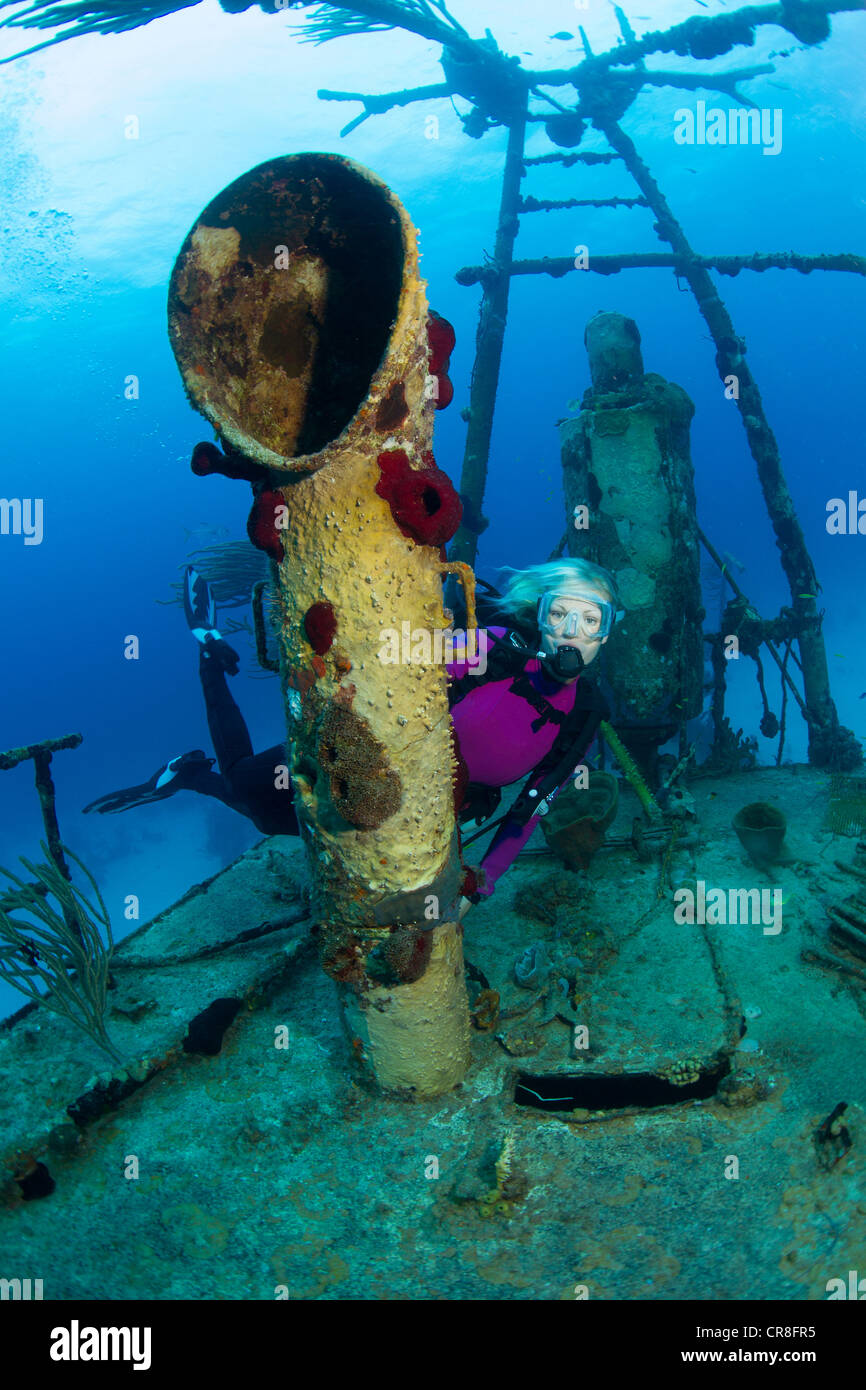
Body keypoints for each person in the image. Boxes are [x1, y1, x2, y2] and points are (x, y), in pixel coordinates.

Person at [85, 559, 620, 914]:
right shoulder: (498, 648)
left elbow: (532, 805)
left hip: (438, 805)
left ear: (606, 633)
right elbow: (402, 657)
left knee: (290, 825)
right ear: (541, 615)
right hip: (373, 757)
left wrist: (486, 879)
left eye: (591, 620)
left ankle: (194, 773)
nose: (572, 633)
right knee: (253, 797)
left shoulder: (582, 715)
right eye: (560, 614)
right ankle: (207, 658)